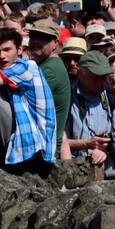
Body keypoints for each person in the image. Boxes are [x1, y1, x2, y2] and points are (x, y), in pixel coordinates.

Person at [0, 27, 55, 176]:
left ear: (19, 50)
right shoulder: (11, 68)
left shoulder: (26, 67)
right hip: (27, 144)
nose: (1, 56)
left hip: (34, 147)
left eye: (7, 50)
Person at [26, 18, 72, 163]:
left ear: (55, 44)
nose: (36, 41)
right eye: (33, 36)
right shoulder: (45, 65)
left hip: (44, 152)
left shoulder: (50, 69)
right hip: (44, 147)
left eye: (44, 38)